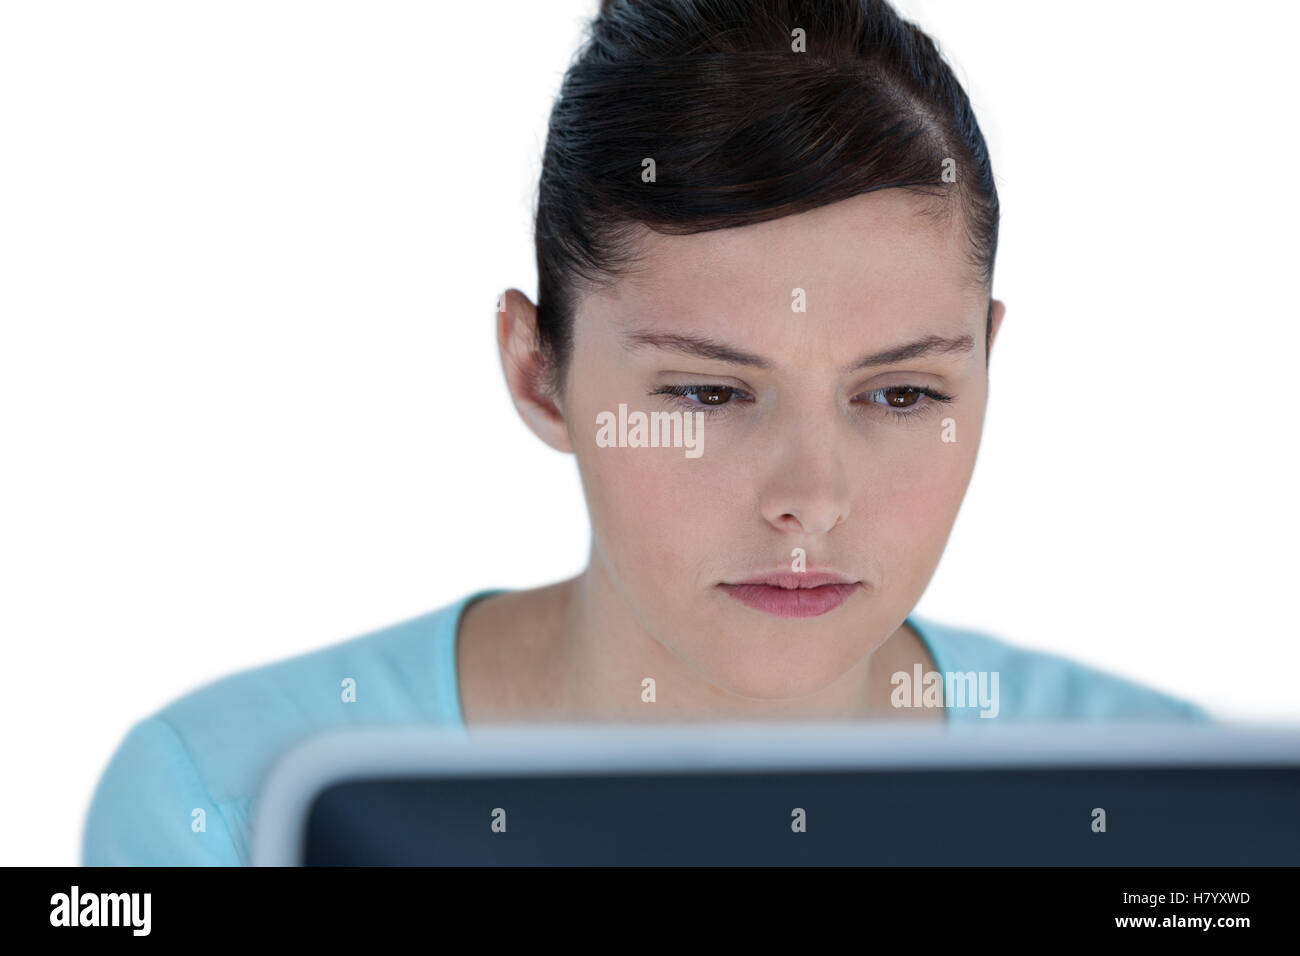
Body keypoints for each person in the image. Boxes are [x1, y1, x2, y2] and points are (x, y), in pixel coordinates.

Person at [83, 0, 1209, 867]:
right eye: (709, 394)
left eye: (901, 394)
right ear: (540, 374)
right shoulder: (228, 807)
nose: (810, 497)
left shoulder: (1179, 803)